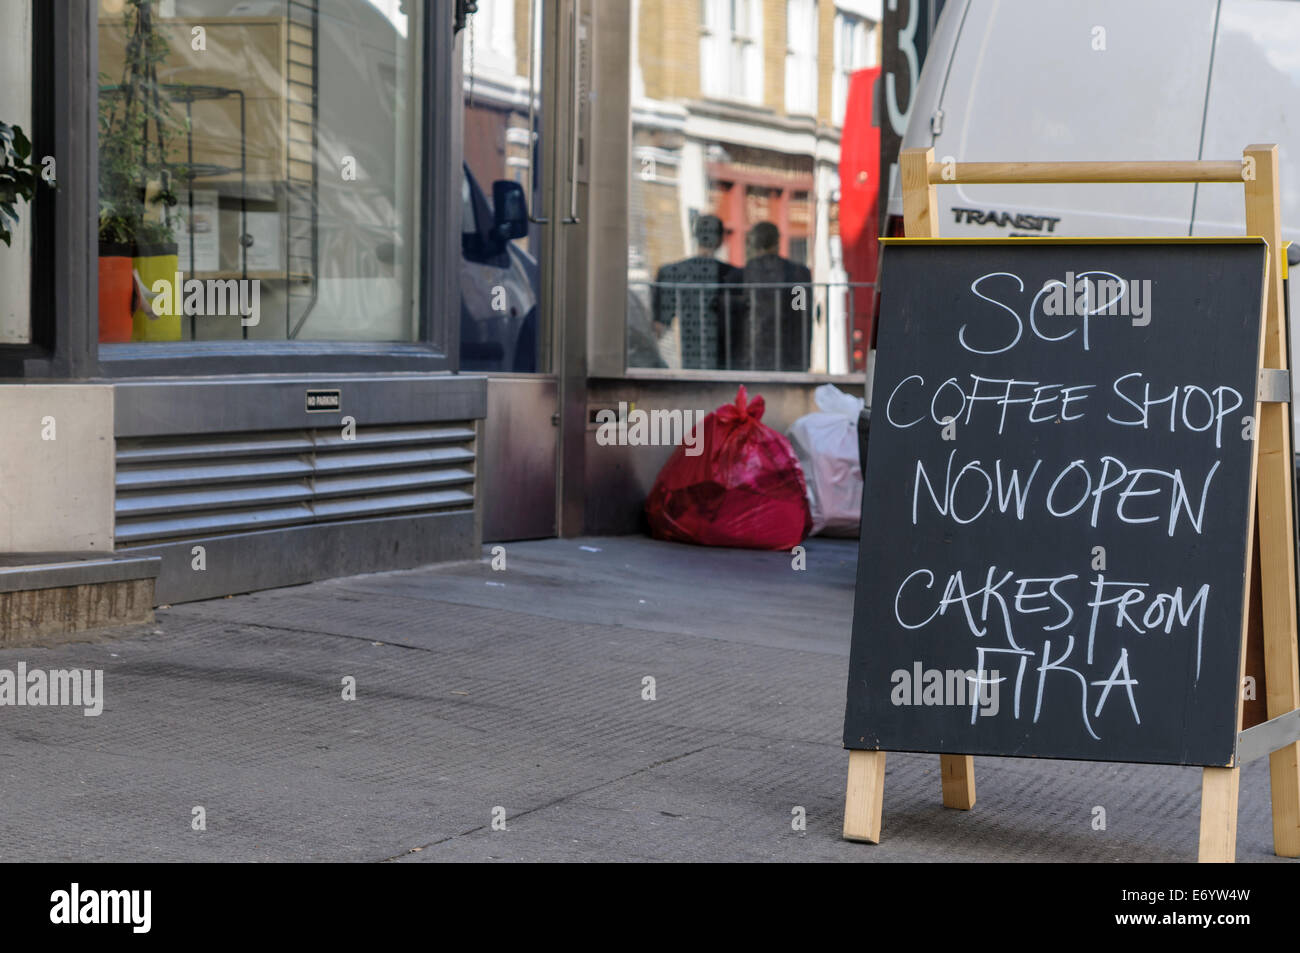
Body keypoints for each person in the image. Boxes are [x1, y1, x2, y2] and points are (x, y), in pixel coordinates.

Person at [652, 214, 741, 369]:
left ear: (695, 236)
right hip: (727, 363)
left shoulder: (672, 272)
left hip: (690, 360)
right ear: (720, 240)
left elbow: (658, 328)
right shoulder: (736, 275)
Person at [729, 221, 813, 371]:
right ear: (777, 242)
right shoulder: (799, 273)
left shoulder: (741, 275)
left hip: (752, 354)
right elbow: (801, 311)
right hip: (788, 353)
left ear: (753, 244)